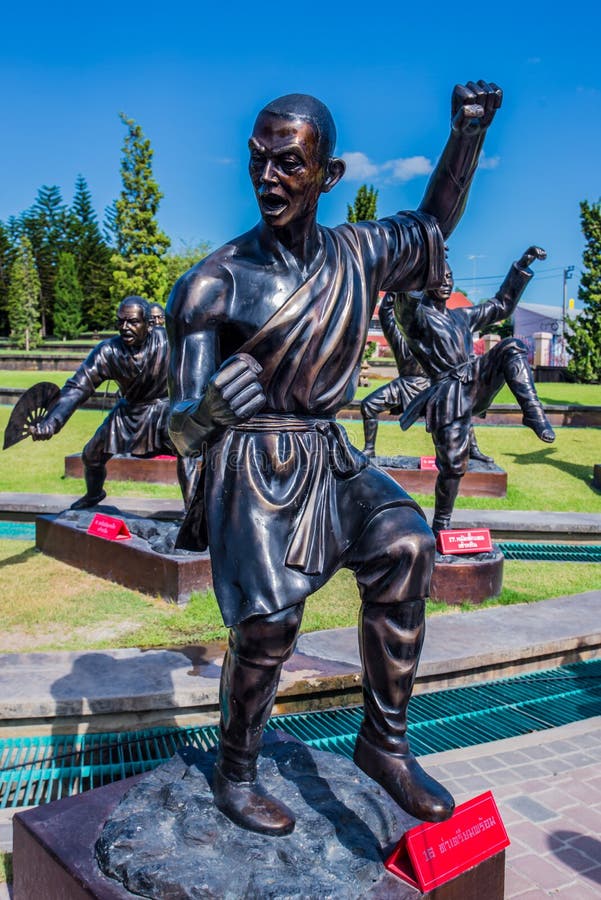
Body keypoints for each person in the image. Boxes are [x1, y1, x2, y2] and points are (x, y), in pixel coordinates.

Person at [167, 82, 503, 836]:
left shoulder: (356, 254)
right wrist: (210, 411)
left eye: (289, 164)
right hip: (249, 461)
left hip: (328, 453)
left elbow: (431, 222)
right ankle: (237, 769)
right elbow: (176, 426)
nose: (268, 179)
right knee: (268, 627)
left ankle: (382, 742)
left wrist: (466, 137)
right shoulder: (212, 284)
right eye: (258, 162)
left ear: (327, 175)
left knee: (408, 544)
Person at [395, 248, 554, 535]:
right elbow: (405, 305)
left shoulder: (462, 317)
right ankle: (442, 522)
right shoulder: (417, 320)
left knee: (510, 347)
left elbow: (501, 305)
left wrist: (521, 264)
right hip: (448, 394)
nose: (445, 281)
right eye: (438, 276)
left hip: (476, 381)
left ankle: (533, 413)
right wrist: (424, 257)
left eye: (449, 277)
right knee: (453, 465)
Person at [30, 296, 198, 510]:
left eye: (133, 322)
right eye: (121, 321)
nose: (125, 327)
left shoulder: (169, 341)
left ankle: (192, 514)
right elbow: (78, 387)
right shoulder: (108, 351)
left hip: (163, 410)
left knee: (187, 452)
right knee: (91, 455)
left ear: (148, 323)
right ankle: (94, 494)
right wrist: (52, 422)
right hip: (128, 412)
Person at [361, 293, 493, 462]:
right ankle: (369, 450)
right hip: (405, 384)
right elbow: (385, 313)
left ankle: (472, 449)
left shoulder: (431, 334)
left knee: (459, 406)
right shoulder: (397, 336)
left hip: (432, 386)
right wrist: (395, 289)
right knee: (368, 405)